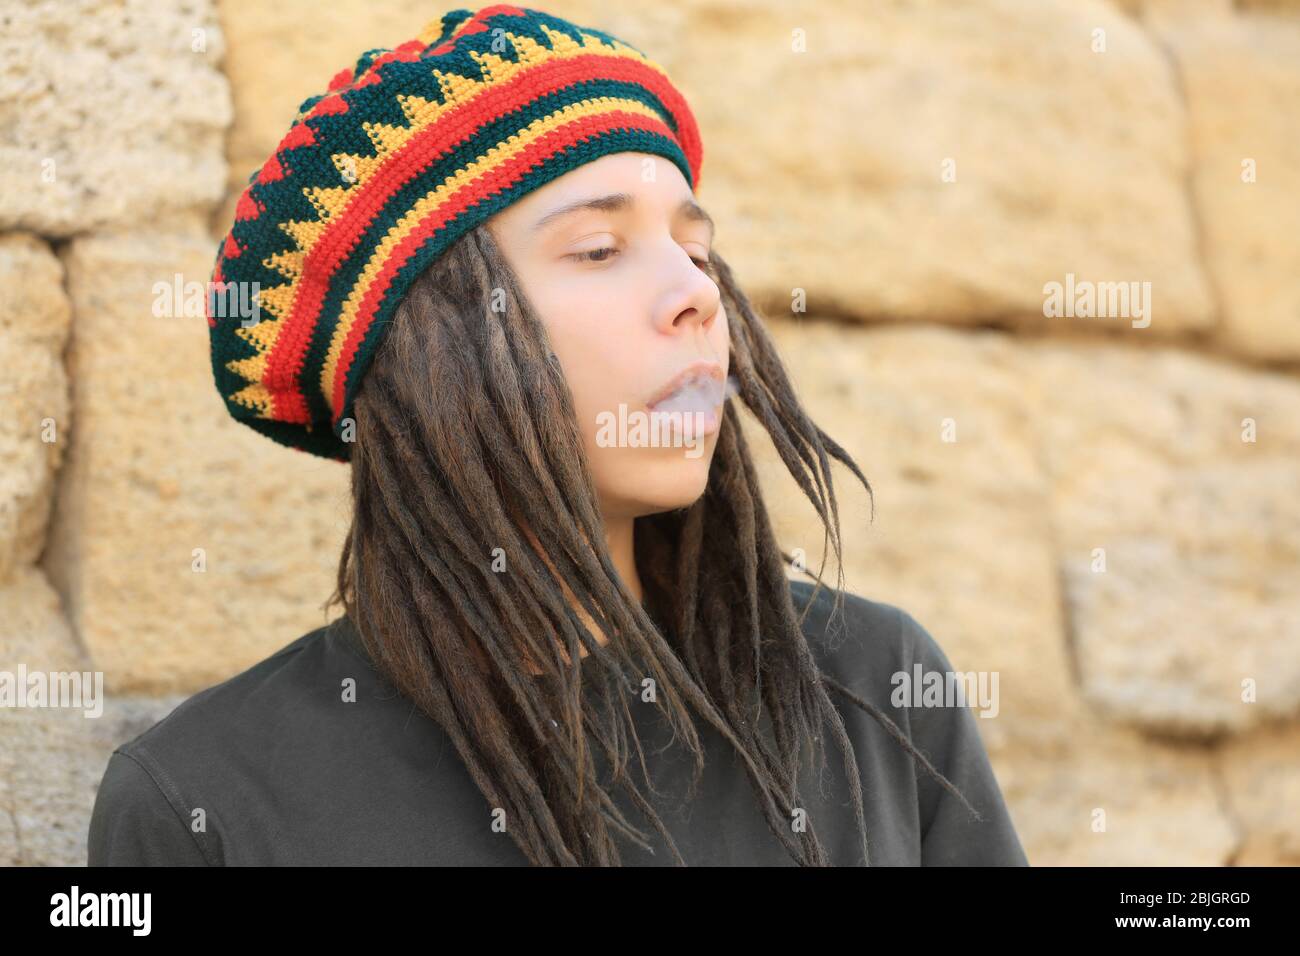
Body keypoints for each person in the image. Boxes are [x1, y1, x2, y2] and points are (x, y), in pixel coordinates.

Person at [88, 4, 1028, 866]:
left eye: (695, 250)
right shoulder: (206, 802)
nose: (698, 294)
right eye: (598, 250)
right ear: (428, 348)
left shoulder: (873, 688)